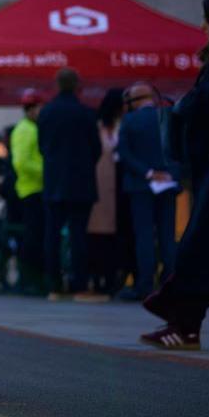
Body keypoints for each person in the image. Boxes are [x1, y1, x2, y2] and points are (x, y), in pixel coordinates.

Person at [140, 0, 209, 349]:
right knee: (199, 246)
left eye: (207, 19)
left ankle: (184, 325)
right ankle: (184, 324)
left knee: (199, 246)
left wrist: (187, 107)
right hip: (205, 167)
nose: (201, 26)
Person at [37, 68, 102, 300]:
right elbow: (96, 149)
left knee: (52, 235)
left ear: (56, 84)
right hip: (81, 183)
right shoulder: (86, 113)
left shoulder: (46, 113)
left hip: (54, 182)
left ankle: (53, 284)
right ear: (77, 86)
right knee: (78, 236)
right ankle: (79, 284)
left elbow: (42, 147)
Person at [117, 82, 181, 301]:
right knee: (167, 236)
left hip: (140, 186)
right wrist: (170, 174)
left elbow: (124, 153)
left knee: (144, 236)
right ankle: (169, 284)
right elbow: (180, 150)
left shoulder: (130, 120)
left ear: (134, 101)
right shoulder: (168, 117)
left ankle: (145, 285)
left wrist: (148, 173)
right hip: (169, 185)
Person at [84, 89, 125, 298]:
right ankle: (98, 276)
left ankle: (110, 276)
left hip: (116, 187)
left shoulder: (122, 126)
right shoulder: (97, 127)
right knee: (97, 234)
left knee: (113, 234)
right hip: (100, 185)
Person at [10, 89, 47, 295]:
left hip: (33, 188)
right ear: (32, 108)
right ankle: (28, 280)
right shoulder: (26, 130)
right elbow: (21, 162)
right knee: (32, 238)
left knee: (34, 237)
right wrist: (47, 172)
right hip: (31, 189)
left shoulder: (30, 128)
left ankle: (30, 279)